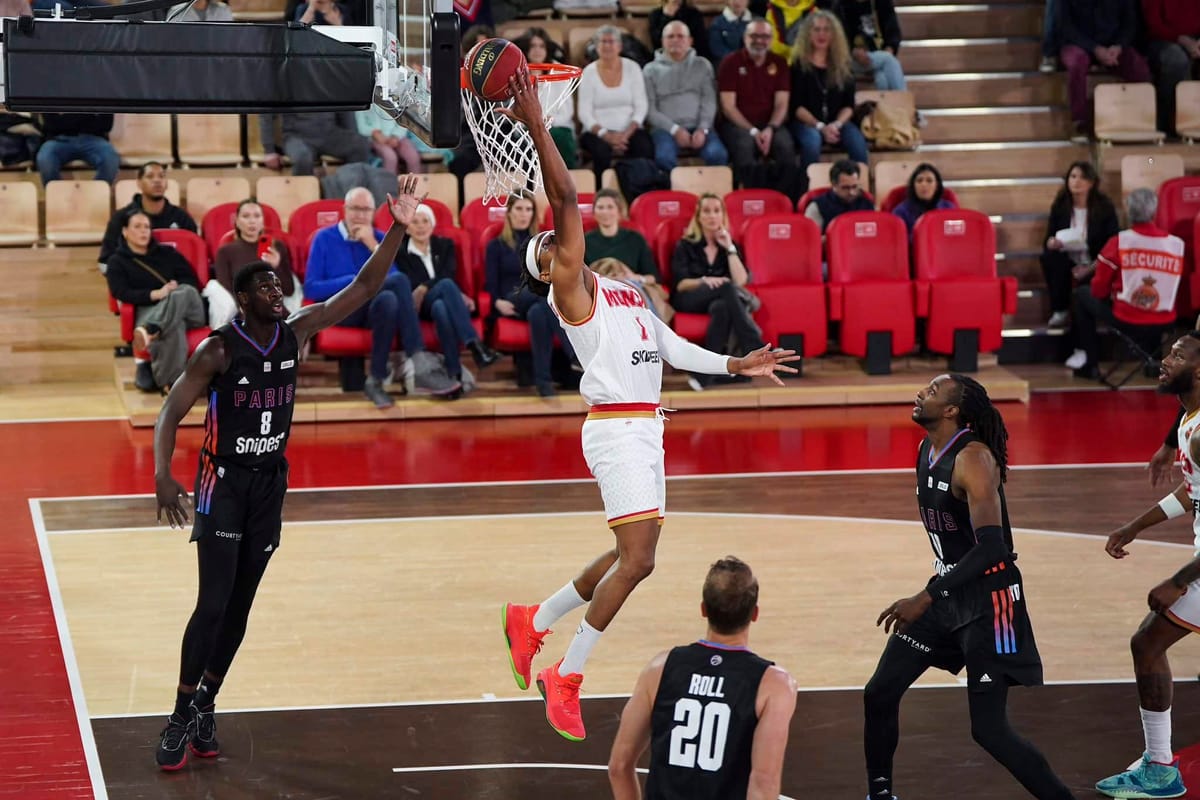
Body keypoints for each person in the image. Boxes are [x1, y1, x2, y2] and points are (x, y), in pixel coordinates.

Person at [496, 66, 798, 742]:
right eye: (548, 250)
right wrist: (540, 127)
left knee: (629, 552)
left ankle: (533, 620)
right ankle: (566, 675)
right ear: (552, 268)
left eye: (556, 244)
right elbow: (568, 202)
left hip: (645, 429)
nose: (559, 247)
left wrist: (734, 364)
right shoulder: (574, 297)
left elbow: (670, 347)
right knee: (639, 562)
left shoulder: (629, 295)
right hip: (615, 431)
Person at [150, 180, 425, 771]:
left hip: (269, 483)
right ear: (243, 299)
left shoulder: (296, 332)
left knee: (243, 605)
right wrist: (161, 475)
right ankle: (176, 716)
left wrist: (398, 224)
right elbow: (170, 411)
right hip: (222, 483)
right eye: (265, 286)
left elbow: (367, 285)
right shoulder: (218, 351)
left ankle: (206, 702)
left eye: (279, 283)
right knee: (213, 603)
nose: (278, 290)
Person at [866, 374, 1076, 800]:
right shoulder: (927, 449)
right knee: (880, 692)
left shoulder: (974, 460)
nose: (921, 392)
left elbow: (994, 549)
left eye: (932, 390)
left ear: (951, 410)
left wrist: (927, 595)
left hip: (989, 601)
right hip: (947, 593)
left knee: (989, 731)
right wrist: (936, 593)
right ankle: (880, 794)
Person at [1092, 331, 1200, 800]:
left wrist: (1179, 580)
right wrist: (1136, 526)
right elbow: (1191, 491)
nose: (1164, 360)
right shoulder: (1189, 422)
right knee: (1148, 642)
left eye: (1176, 355)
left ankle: (1159, 768)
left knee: (1148, 641)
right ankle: (1157, 762)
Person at [608, 556, 797, 800]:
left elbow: (618, 767)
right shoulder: (775, 685)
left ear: (703, 609)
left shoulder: (659, 668)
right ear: (755, 613)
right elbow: (763, 784)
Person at [304, 187, 461, 406]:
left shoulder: (379, 237)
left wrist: (372, 245)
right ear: (344, 210)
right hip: (339, 309)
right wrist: (355, 282)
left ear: (373, 213)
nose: (360, 215)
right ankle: (418, 359)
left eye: (365, 210)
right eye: (355, 209)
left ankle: (375, 381)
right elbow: (311, 288)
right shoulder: (324, 238)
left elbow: (398, 281)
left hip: (370, 308)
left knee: (390, 300)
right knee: (397, 281)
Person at [1068, 188, 1184, 380]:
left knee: (1081, 294)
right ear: (1155, 212)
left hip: (1129, 319)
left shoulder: (1119, 243)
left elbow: (1098, 289)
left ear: (1128, 213)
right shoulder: (1176, 245)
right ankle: (1153, 362)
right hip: (1166, 320)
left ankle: (1091, 365)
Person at [395, 202, 499, 388]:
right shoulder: (400, 252)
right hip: (418, 305)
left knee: (441, 308)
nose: (420, 226)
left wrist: (425, 286)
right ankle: (475, 346)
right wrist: (424, 289)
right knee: (446, 285)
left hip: (441, 300)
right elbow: (410, 283)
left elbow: (448, 273)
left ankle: (454, 374)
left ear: (432, 225)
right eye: (415, 222)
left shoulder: (445, 245)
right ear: (407, 228)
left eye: (425, 221)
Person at [670, 192, 767, 390]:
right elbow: (681, 284)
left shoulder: (730, 246)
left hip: (719, 301)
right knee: (725, 286)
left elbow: (740, 281)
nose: (712, 216)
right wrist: (704, 280)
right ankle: (753, 343)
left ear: (723, 215)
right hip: (689, 298)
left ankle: (703, 376)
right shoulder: (685, 245)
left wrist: (729, 247)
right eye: (706, 211)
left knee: (722, 306)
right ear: (698, 217)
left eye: (716, 211)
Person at [485, 193, 577, 397]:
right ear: (508, 213)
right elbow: (490, 283)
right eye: (519, 209)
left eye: (528, 209)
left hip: (540, 298)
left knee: (539, 311)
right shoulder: (496, 245)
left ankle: (543, 382)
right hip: (512, 298)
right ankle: (574, 352)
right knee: (544, 295)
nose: (524, 214)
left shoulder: (543, 243)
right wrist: (496, 302)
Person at [105, 210, 206, 393]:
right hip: (149, 308)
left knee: (184, 292)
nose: (144, 231)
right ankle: (173, 384)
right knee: (173, 326)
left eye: (147, 227)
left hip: (189, 308)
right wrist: (156, 294)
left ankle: (151, 328)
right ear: (125, 231)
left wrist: (173, 289)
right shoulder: (117, 262)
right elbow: (121, 292)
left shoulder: (167, 253)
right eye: (137, 227)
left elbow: (191, 281)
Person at [788, 10, 869, 184]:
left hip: (837, 121)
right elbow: (796, 106)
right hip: (807, 122)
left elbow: (849, 105)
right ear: (808, 34)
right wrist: (820, 126)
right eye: (816, 30)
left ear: (834, 34)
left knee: (857, 142)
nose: (821, 34)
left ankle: (860, 189)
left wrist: (836, 124)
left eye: (826, 30)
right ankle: (807, 189)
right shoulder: (798, 65)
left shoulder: (843, 64)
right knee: (812, 141)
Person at [1040, 161, 1119, 331]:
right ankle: (1060, 309)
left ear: (1091, 182)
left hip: (1095, 262)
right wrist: (1052, 242)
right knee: (1050, 257)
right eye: (1073, 176)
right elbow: (1048, 238)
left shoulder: (1104, 207)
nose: (1076, 181)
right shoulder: (1061, 205)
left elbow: (1112, 247)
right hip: (1067, 259)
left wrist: (1089, 269)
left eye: (1082, 177)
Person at [716, 19, 795, 184]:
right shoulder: (730, 63)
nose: (759, 41)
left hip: (770, 124)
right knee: (744, 147)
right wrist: (753, 131)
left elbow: (782, 104)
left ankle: (784, 200)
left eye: (765, 36)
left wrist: (771, 129)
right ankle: (750, 201)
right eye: (754, 36)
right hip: (737, 125)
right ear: (745, 37)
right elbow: (728, 107)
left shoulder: (779, 63)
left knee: (785, 146)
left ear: (772, 39)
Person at [644, 21, 728, 173]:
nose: (675, 40)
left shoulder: (703, 65)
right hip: (665, 129)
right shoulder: (650, 70)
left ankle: (708, 194)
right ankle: (676, 195)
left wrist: (702, 129)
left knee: (718, 155)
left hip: (700, 127)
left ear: (690, 41)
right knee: (664, 157)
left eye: (680, 36)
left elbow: (709, 101)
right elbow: (650, 110)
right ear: (663, 41)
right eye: (670, 36)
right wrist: (675, 130)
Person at [1059, 0, 1151, 140]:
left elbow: (1130, 23)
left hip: (1113, 46)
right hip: (1079, 44)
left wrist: (1119, 46)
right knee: (1076, 62)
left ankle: (1138, 119)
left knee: (1138, 67)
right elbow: (1065, 27)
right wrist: (1094, 48)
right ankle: (1079, 123)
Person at [576, 25, 654, 183]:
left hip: (630, 130)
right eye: (602, 42)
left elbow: (641, 106)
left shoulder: (633, 68)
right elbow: (584, 113)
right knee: (601, 151)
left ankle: (637, 190)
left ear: (620, 46)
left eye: (611, 42)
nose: (607, 46)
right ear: (596, 47)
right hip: (596, 132)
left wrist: (625, 135)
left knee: (644, 147)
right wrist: (606, 135)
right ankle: (600, 193)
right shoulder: (588, 72)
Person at [210, 200, 301, 328]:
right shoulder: (225, 252)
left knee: (299, 330)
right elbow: (227, 287)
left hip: (275, 308)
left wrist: (276, 266)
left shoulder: (277, 247)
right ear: (236, 220)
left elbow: (289, 290)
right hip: (245, 311)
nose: (252, 221)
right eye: (246, 216)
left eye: (257, 216)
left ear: (263, 221)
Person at [99, 161, 197, 272]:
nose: (157, 180)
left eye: (161, 176)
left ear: (166, 183)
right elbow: (105, 261)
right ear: (139, 183)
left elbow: (195, 254)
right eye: (150, 176)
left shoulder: (182, 218)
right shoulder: (121, 218)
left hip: (174, 280)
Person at [513, 28, 579, 169]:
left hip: (558, 126)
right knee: (523, 141)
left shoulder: (560, 71)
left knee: (557, 137)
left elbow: (567, 112)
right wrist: (534, 122)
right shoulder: (517, 73)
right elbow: (513, 108)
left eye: (541, 46)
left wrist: (547, 121)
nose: (537, 50)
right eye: (533, 46)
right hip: (527, 127)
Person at [1142, 0, 1200, 137]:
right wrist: (1182, 40)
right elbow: (1154, 26)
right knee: (1176, 59)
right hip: (1162, 39)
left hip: (1195, 39)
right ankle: (1168, 122)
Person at [584, 188, 659, 279]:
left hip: (629, 286)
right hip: (598, 289)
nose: (605, 212)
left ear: (620, 211)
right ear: (594, 212)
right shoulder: (585, 241)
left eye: (610, 207)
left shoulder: (636, 239)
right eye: (600, 207)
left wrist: (634, 277)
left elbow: (653, 277)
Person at [832, 0, 907, 90]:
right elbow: (838, 39)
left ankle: (892, 103)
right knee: (889, 60)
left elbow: (893, 32)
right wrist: (853, 51)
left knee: (882, 80)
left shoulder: (882, 3)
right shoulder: (841, 5)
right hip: (849, 59)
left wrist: (890, 47)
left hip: (877, 57)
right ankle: (903, 102)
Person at [35, 112, 119, 186]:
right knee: (45, 156)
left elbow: (106, 124)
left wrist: (67, 120)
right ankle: (60, 197)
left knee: (110, 158)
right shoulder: (52, 94)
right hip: (59, 140)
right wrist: (86, 119)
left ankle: (93, 197)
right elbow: (51, 124)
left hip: (94, 139)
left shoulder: (101, 94)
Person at [802, 158, 873, 233]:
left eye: (854, 186)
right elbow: (811, 239)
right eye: (845, 188)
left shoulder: (867, 204)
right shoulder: (817, 207)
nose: (851, 192)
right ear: (833, 185)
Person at [891, 162, 956, 238]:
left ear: (937, 186)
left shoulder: (949, 209)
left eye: (929, 181)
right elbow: (899, 242)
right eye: (919, 181)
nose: (924, 184)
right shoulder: (901, 212)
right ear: (913, 185)